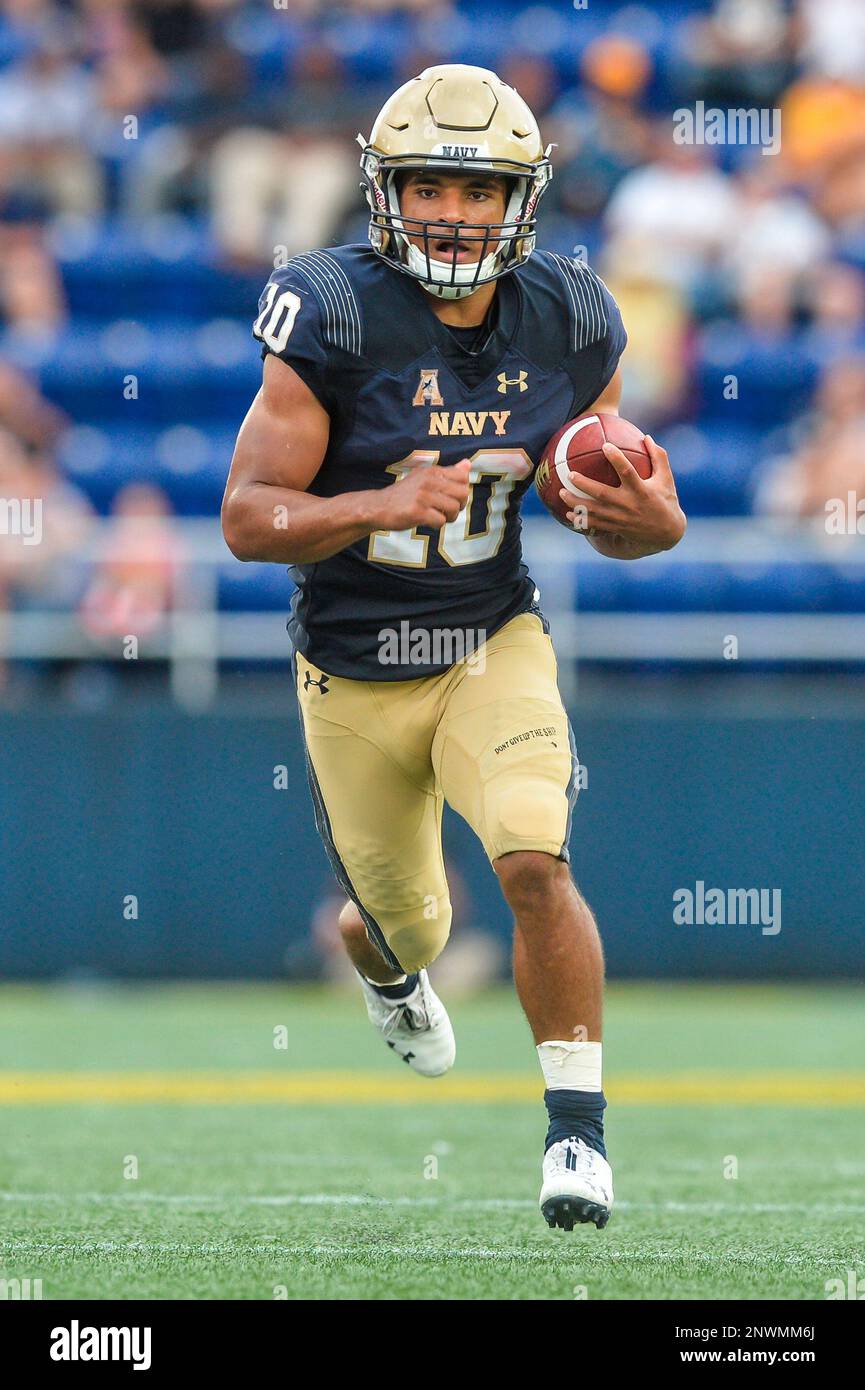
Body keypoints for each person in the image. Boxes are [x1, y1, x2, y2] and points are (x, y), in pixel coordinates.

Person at [222, 64, 686, 1232]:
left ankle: (575, 1137)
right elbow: (246, 519)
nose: (452, 213)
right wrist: (370, 505)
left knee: (535, 855)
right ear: (387, 191)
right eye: (429, 184)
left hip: (490, 636)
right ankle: (383, 968)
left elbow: (611, 498)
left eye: (478, 191)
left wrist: (656, 524)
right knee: (404, 925)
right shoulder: (330, 311)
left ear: (518, 201)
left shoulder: (573, 316)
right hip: (352, 668)